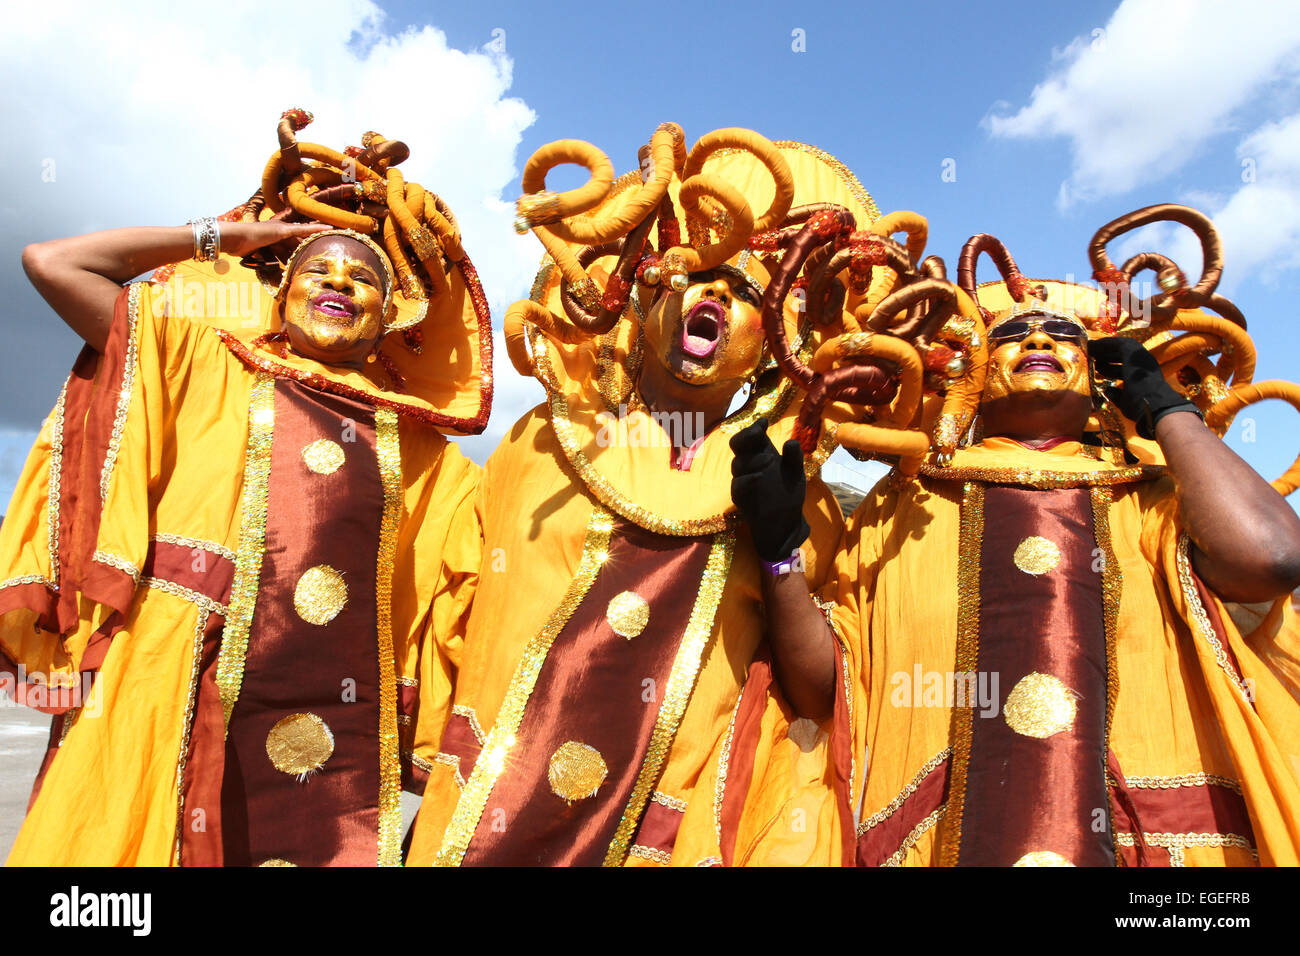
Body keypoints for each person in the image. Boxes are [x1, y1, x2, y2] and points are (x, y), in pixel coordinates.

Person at [731, 205, 1300, 866]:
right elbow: (821, 690)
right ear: (969, 374)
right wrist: (779, 554)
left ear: (1101, 376)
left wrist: (1166, 409)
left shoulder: (1156, 498)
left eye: (1064, 336)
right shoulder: (907, 501)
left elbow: (1272, 559)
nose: (1038, 343)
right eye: (1011, 336)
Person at [0, 111, 493, 866]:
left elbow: (481, 576)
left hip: (318, 700)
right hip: (167, 659)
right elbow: (53, 264)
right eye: (317, 270)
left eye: (363, 278)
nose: (339, 283)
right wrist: (221, 241)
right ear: (278, 291)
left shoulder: (419, 447)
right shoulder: (204, 347)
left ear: (390, 314)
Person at [405, 124, 897, 866]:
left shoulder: (798, 494)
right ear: (645, 306)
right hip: (481, 819)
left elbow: (822, 693)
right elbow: (452, 607)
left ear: (773, 347)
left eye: (744, 291)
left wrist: (778, 550)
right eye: (693, 275)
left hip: (654, 840)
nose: (713, 294)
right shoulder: (540, 442)